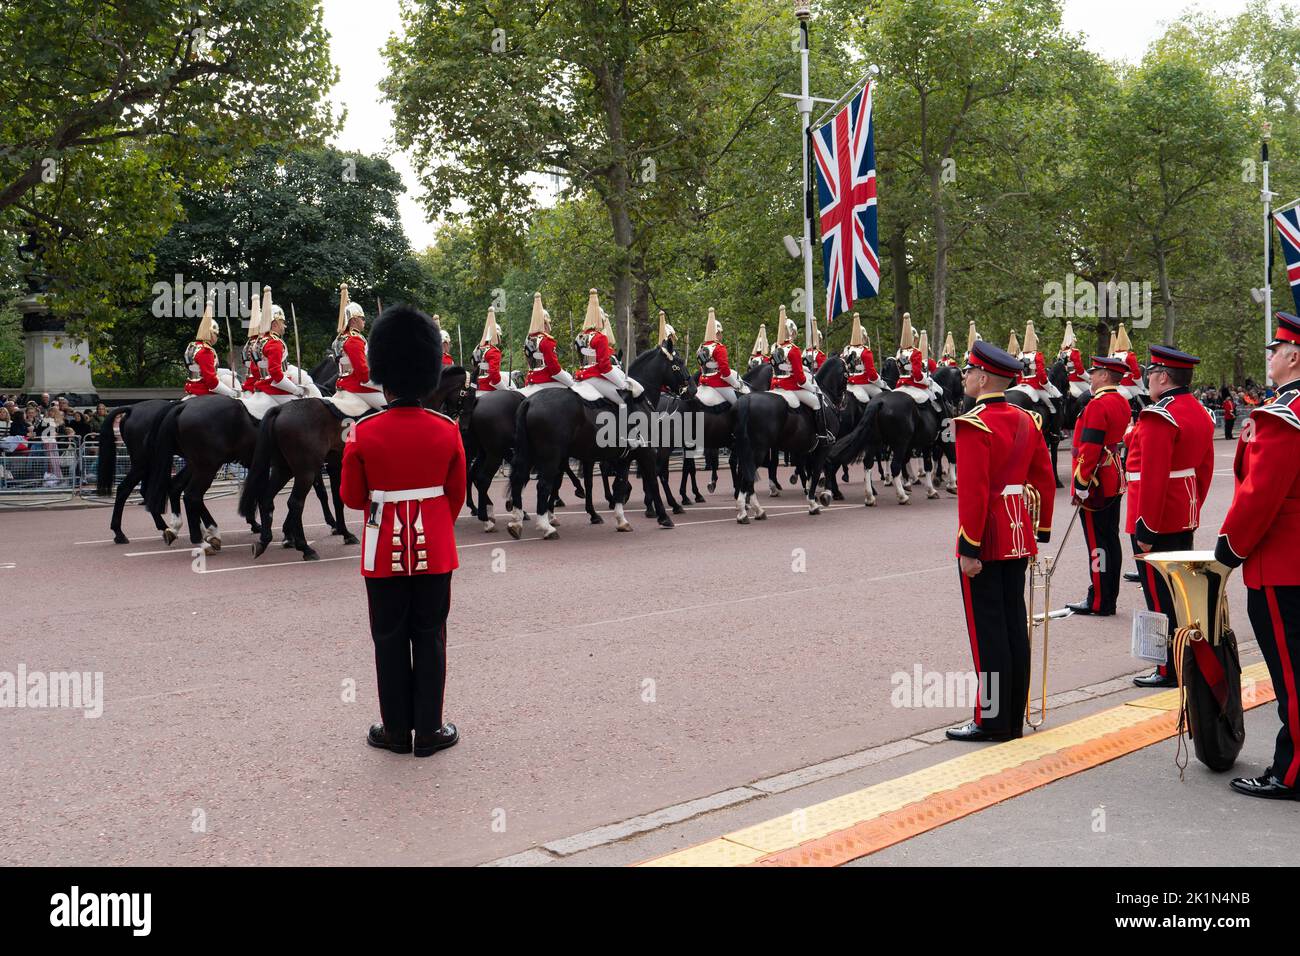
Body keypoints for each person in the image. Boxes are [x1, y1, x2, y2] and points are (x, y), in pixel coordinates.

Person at [340, 304, 465, 758]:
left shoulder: (364, 431)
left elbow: (353, 497)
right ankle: (429, 731)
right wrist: (432, 525)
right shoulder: (447, 429)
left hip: (380, 553)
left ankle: (395, 730)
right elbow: (456, 496)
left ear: (385, 375)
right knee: (430, 636)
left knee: (389, 639)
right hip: (435, 548)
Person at [948, 341, 1055, 742]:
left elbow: (974, 493)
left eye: (969, 371)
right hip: (1019, 534)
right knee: (1013, 627)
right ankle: (1011, 716)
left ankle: (991, 720)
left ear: (984, 377)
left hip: (988, 537)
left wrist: (969, 549)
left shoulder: (974, 423)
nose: (965, 377)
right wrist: (1039, 530)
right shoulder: (1028, 420)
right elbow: (1043, 478)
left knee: (988, 633)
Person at [1214, 310, 1300, 801]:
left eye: (1275, 350)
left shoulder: (1284, 415)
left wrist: (1228, 551)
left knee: (1291, 674)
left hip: (1282, 565)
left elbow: (1260, 496)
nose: (1268, 358)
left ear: (1292, 356)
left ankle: (1291, 773)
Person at [1126, 345, 1215, 688]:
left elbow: (1153, 475)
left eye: (1151, 374)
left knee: (1159, 597)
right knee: (1179, 594)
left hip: (1154, 518)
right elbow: (1203, 470)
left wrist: (1146, 526)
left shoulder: (1159, 415)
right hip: (1182, 513)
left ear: (1163, 377)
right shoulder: (1198, 411)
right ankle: (1183, 661)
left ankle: (1168, 668)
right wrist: (1191, 508)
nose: (1148, 379)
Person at [1066, 355, 1130, 617]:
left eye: (1094, 373)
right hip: (1112, 477)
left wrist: (1081, 485)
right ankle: (1108, 596)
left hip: (1095, 483)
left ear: (1104, 376)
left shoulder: (1097, 405)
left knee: (1097, 544)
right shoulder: (1122, 402)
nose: (1090, 377)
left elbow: (1090, 448)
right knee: (1110, 540)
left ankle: (1100, 600)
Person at [772, 308, 834, 439]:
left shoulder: (775, 348)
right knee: (817, 401)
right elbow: (800, 379)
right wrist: (812, 388)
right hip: (791, 386)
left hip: (775, 385)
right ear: (791, 333)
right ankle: (822, 434)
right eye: (794, 333)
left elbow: (791, 367)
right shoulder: (794, 350)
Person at [330, 284, 387, 414]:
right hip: (357, 386)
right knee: (392, 406)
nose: (364, 321)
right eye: (362, 318)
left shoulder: (342, 338)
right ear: (354, 320)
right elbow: (362, 373)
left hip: (343, 383)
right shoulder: (354, 339)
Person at [255, 288, 307, 404]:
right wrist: (295, 390)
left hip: (263, 384)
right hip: (274, 389)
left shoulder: (261, 341)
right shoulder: (274, 342)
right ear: (274, 324)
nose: (284, 326)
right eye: (282, 322)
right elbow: (275, 373)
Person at [183, 297, 240, 399]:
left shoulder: (193, 345)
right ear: (210, 333)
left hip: (191, 387)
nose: (217, 337)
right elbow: (212, 382)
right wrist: (232, 393)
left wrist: (227, 371)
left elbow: (202, 370)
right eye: (216, 334)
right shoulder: (206, 351)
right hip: (203, 391)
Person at [521, 292, 574, 396]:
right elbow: (554, 369)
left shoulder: (528, 340)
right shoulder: (546, 340)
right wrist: (571, 384)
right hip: (546, 382)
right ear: (545, 323)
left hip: (530, 382)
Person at [696, 307, 743, 406]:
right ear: (717, 333)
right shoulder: (719, 348)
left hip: (702, 381)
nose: (721, 335)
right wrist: (736, 384)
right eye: (721, 333)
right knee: (741, 405)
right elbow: (725, 371)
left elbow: (701, 367)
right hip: (717, 383)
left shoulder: (701, 347)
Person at [1016, 320, 1060, 413]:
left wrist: (1020, 383)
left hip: (1022, 384)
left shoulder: (1020, 355)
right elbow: (1040, 373)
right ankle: (1055, 427)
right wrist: (1047, 385)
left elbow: (1019, 373)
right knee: (1053, 407)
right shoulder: (1037, 355)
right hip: (1035, 386)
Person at [842, 312, 883, 403]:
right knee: (881, 396)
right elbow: (872, 375)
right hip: (863, 383)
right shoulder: (865, 351)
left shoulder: (846, 350)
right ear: (864, 337)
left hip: (847, 383)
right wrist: (881, 383)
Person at [471, 307, 509, 392]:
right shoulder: (494, 351)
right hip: (488, 389)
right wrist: (505, 390)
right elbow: (494, 375)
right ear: (497, 336)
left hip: (476, 388)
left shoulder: (477, 349)